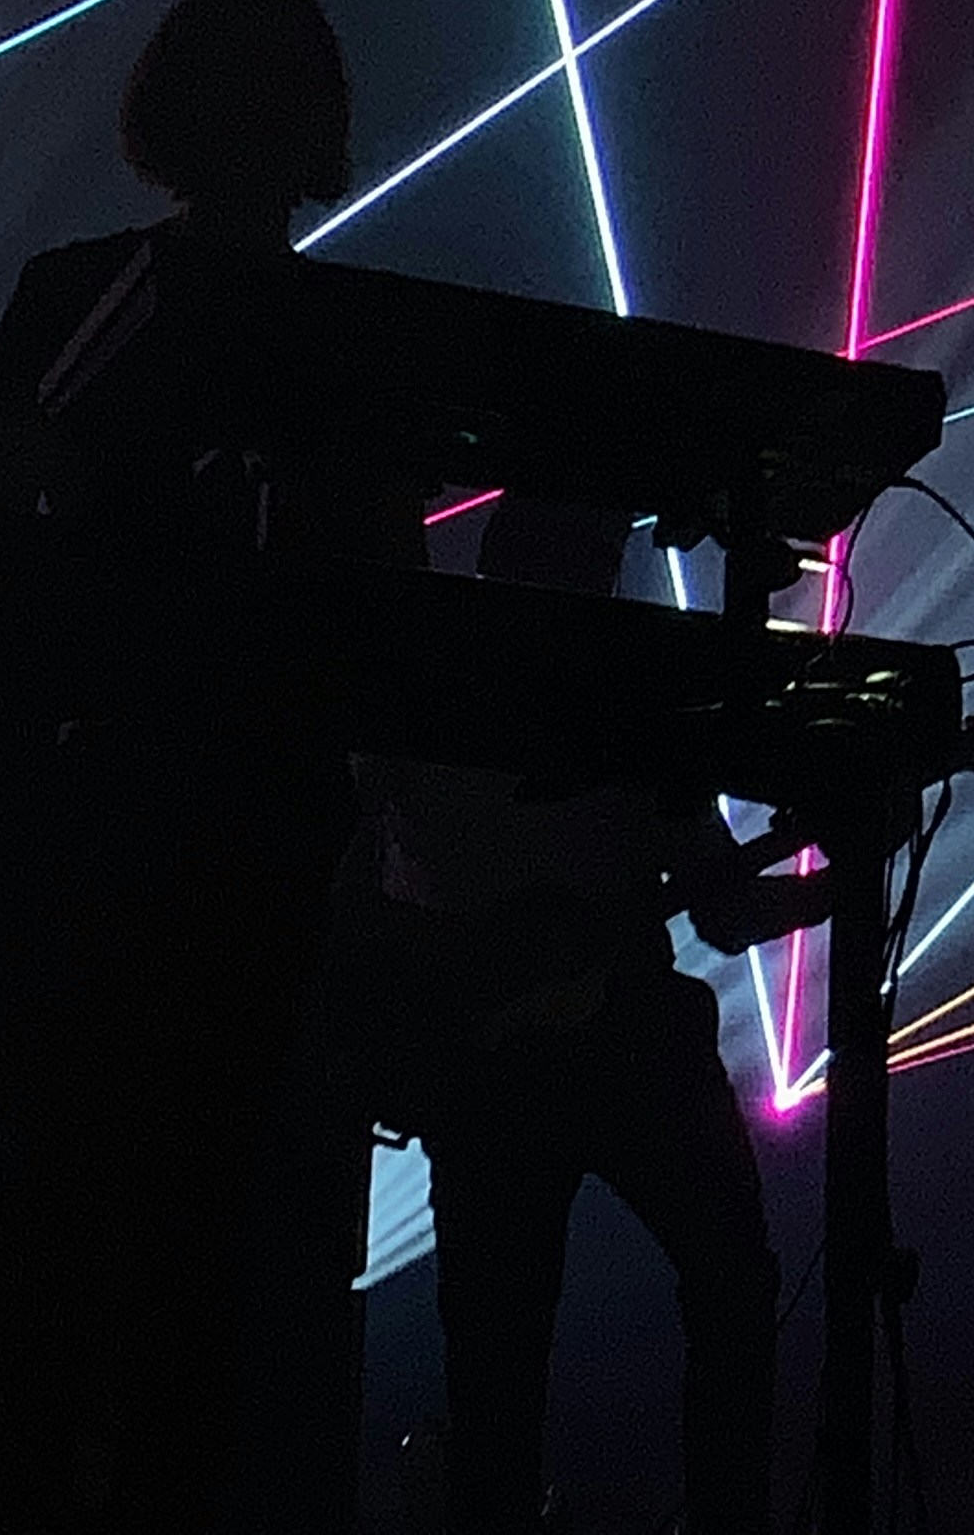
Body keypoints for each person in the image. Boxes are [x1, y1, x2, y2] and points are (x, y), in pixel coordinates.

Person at [0, 0, 409, 1530]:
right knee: (106, 1256)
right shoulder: (88, 301)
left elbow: (378, 597)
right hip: (108, 842)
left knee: (169, 1264)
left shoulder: (332, 344)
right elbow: (19, 499)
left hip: (214, 847)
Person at [353, 494, 820, 1535]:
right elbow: (730, 910)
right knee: (719, 1290)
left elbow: (359, 879)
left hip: (514, 1066)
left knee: (498, 1356)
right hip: (589, 1055)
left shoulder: (428, 686)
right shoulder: (603, 696)